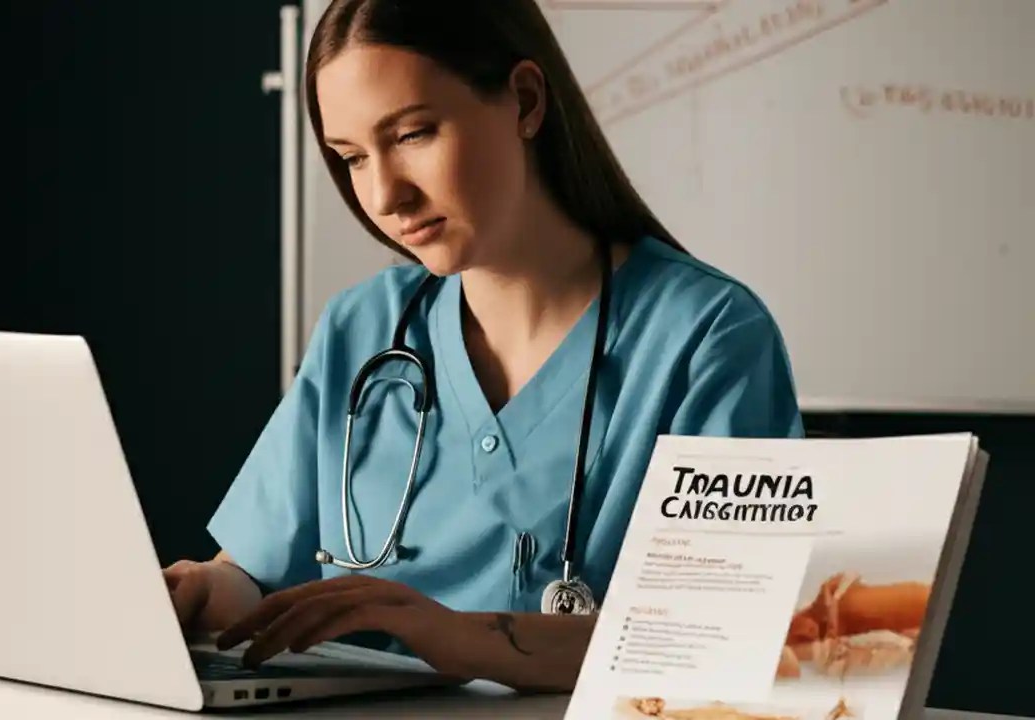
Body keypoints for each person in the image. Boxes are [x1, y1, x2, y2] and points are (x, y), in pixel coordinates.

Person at [164, 0, 804, 693]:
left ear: (525, 102)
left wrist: (449, 634)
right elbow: (254, 577)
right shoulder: (362, 327)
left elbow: (719, 641)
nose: (386, 196)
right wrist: (200, 588)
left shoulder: (707, 337)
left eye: (412, 134)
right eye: (351, 158)